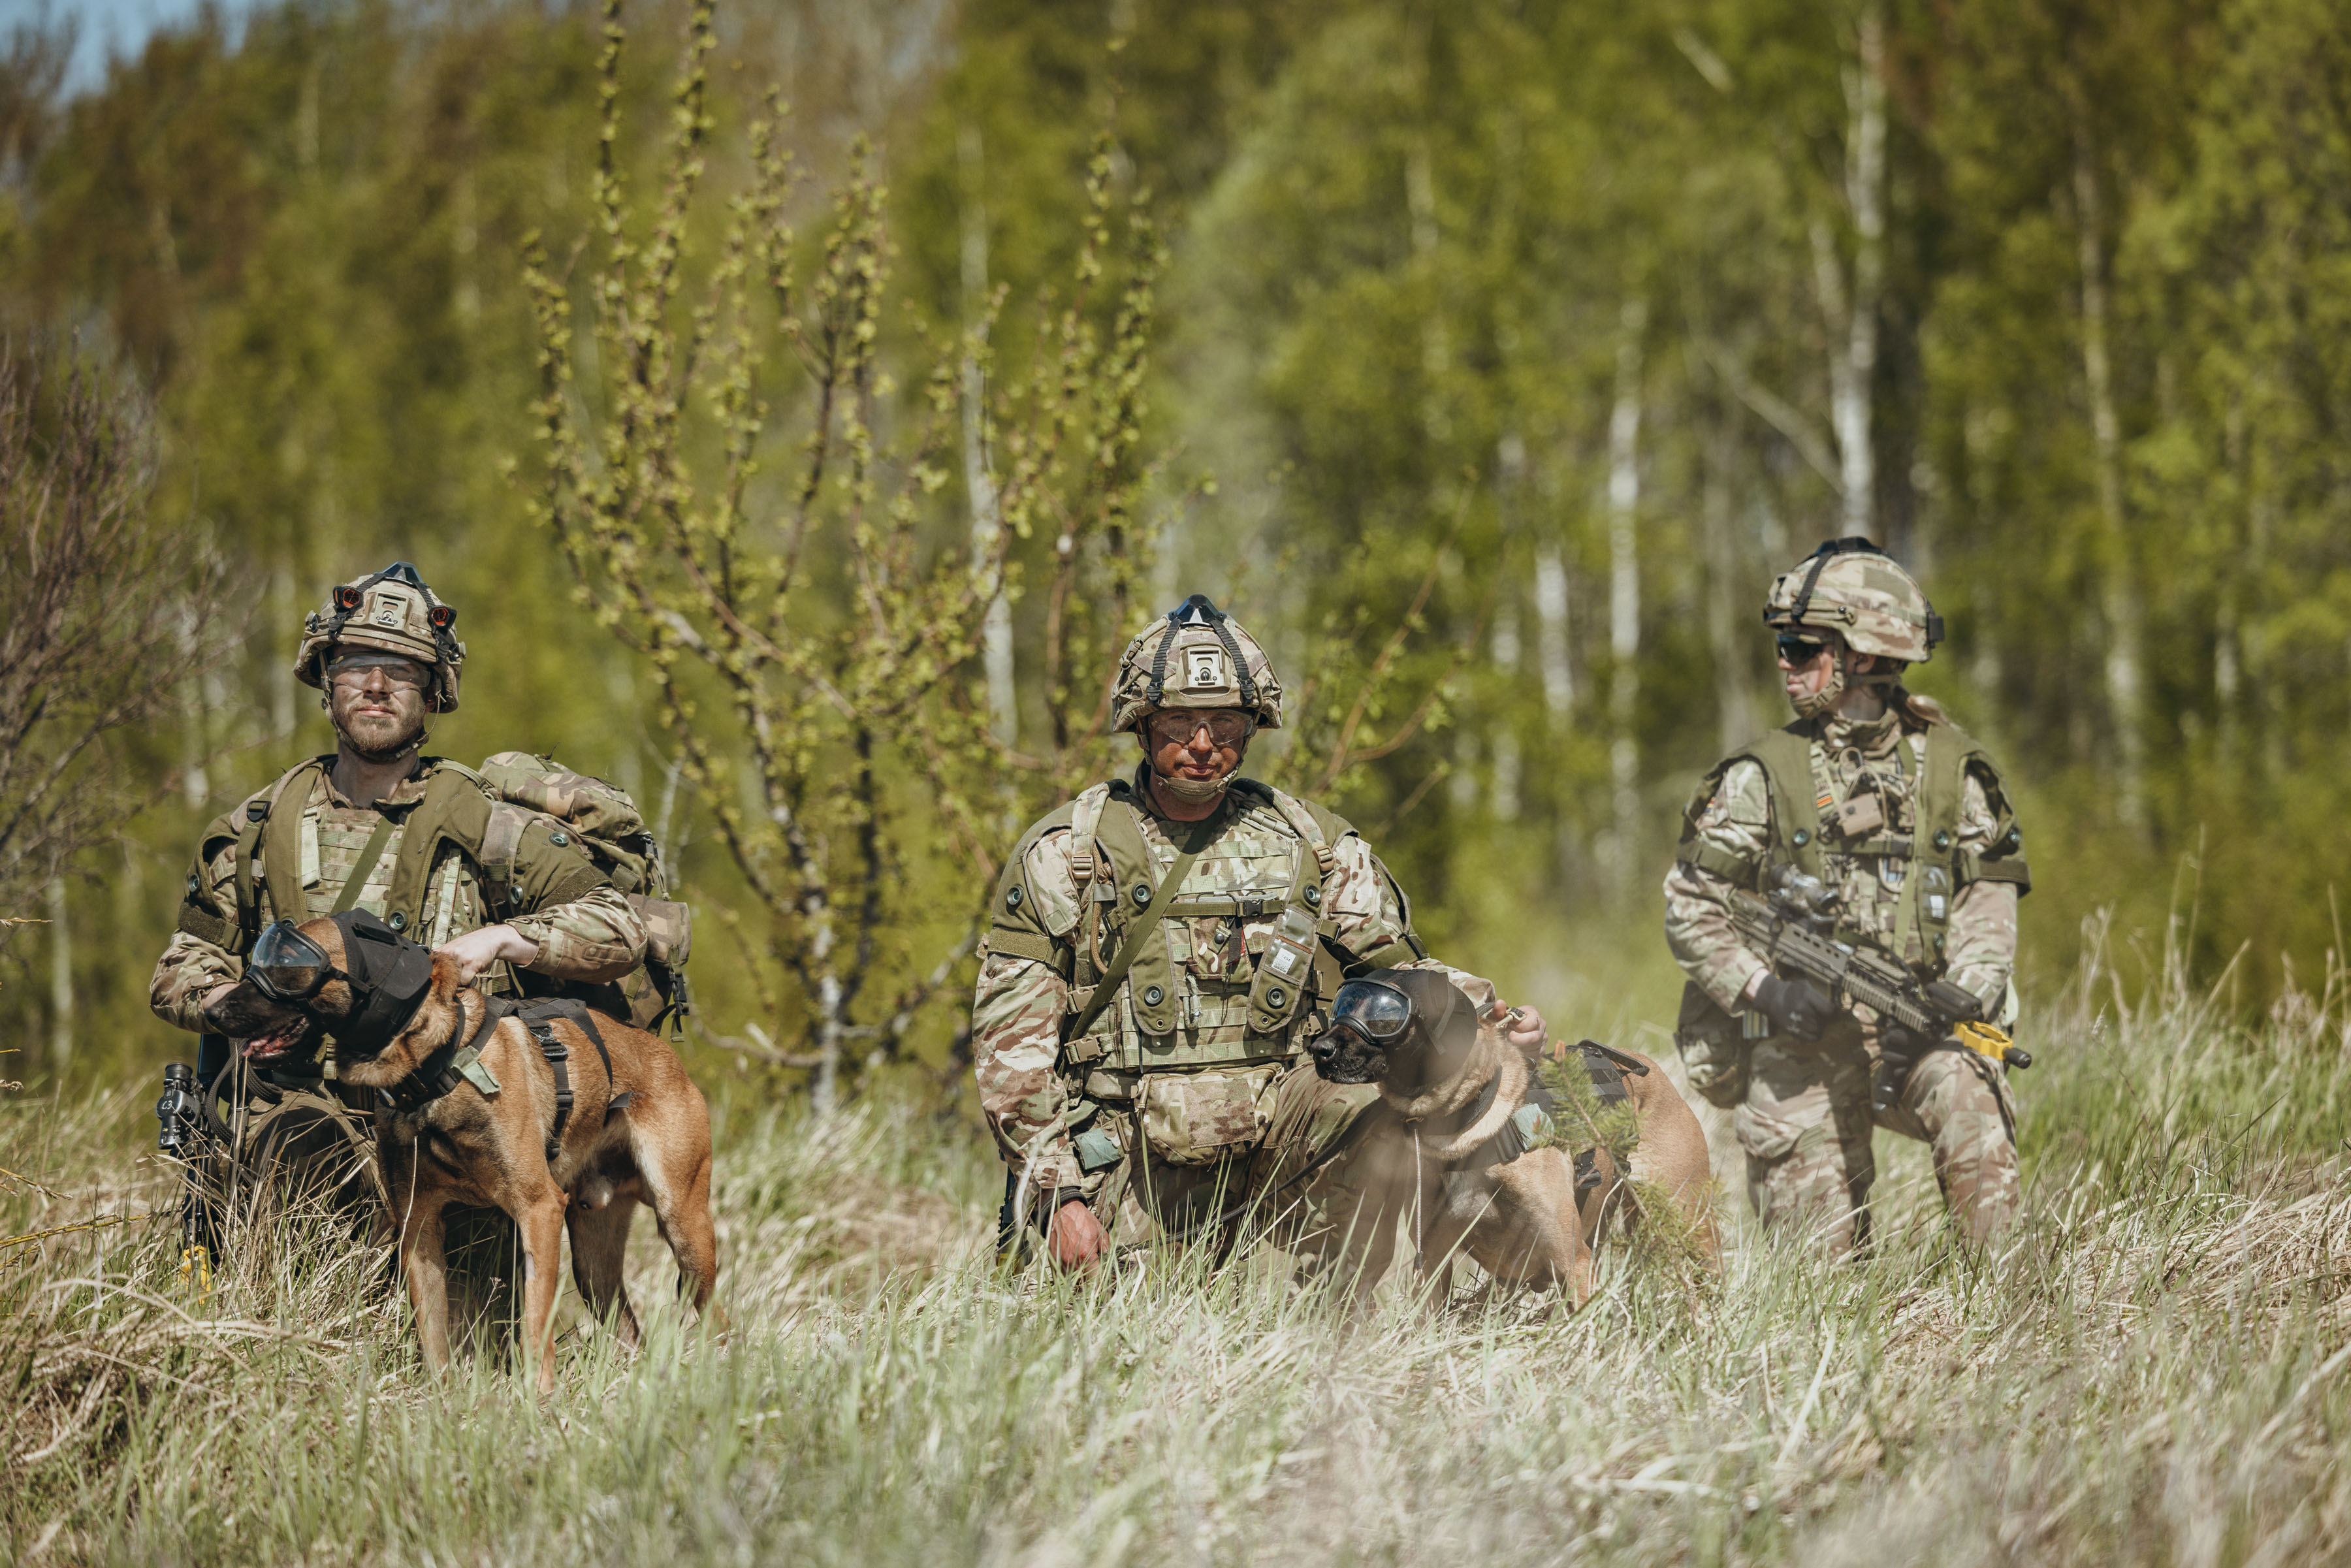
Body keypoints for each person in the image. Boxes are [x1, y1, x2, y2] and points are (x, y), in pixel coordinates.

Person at [972, 594, 1548, 1273]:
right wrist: (1057, 1196)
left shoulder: (1312, 845)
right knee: (1111, 1326)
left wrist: (1491, 1018)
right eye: (1179, 721)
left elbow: (1406, 979)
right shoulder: (1068, 854)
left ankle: (1343, 1303)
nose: (1203, 742)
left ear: (1252, 728)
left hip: (1280, 1147)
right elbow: (1012, 1053)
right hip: (1123, 1159)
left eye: (1225, 722)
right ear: (1142, 726)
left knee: (1372, 1095)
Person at [150, 562, 648, 1321]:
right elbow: (181, 963)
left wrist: (508, 938)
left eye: (403, 671)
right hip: (308, 1116)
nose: (377, 686)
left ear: (434, 692)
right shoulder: (259, 830)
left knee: (475, 1359)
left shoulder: (485, 824)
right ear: (326, 679)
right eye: (357, 664)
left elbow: (621, 926)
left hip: (457, 1129)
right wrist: (237, 1004)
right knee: (297, 1191)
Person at [1664, 538, 2030, 1253]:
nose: (1784, 662)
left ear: (1862, 657)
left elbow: (1988, 916)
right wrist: (1768, 993)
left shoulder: (1956, 774)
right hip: (1801, 1036)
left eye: (1802, 647)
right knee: (1816, 1272)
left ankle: (2000, 1304)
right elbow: (1691, 905)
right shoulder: (1761, 776)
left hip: (1919, 1027)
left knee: (1974, 1097)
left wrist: (1958, 998)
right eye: (1783, 645)